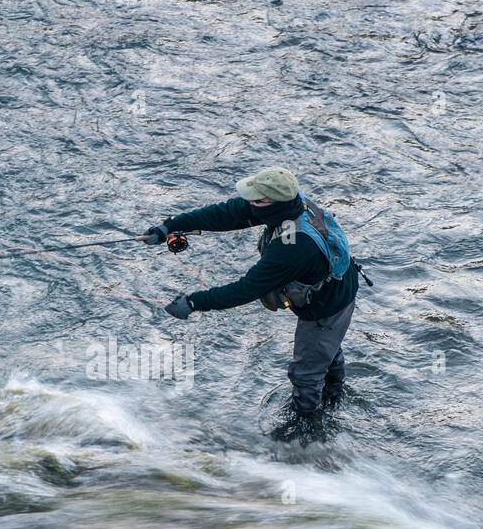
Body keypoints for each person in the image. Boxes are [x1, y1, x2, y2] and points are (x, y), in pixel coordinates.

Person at [145, 167, 365, 432]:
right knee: (325, 349)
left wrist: (194, 302)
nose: (250, 203)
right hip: (337, 284)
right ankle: (333, 396)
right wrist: (171, 225)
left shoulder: (294, 246)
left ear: (274, 202)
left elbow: (247, 288)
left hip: (326, 306)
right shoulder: (289, 203)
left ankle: (306, 428)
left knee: (305, 371)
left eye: (257, 199)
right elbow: (227, 213)